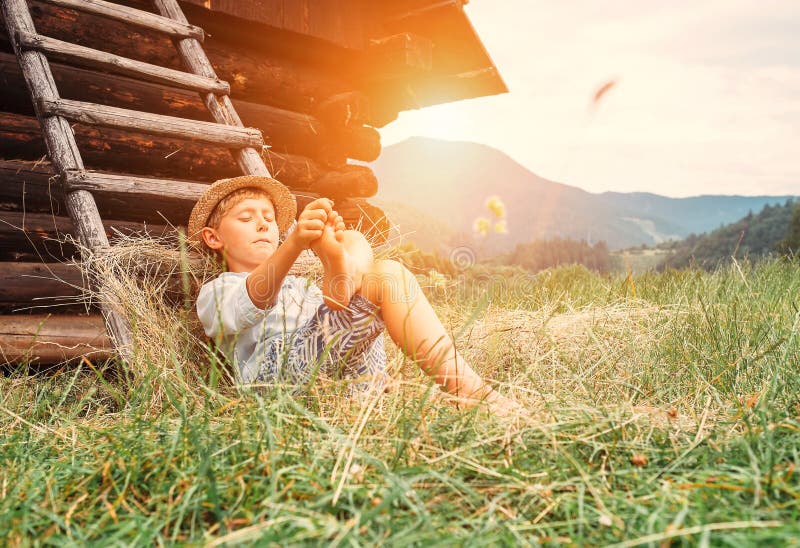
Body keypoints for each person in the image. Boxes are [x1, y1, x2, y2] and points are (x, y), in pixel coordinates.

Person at [188, 175, 521, 415]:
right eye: (246, 218)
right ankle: (476, 394)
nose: (262, 225)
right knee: (384, 276)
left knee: (365, 253)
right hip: (273, 386)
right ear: (213, 238)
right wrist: (293, 245)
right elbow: (253, 300)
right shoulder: (218, 290)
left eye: (270, 220)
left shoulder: (301, 287)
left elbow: (338, 315)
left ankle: (341, 267)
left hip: (338, 378)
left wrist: (336, 264)